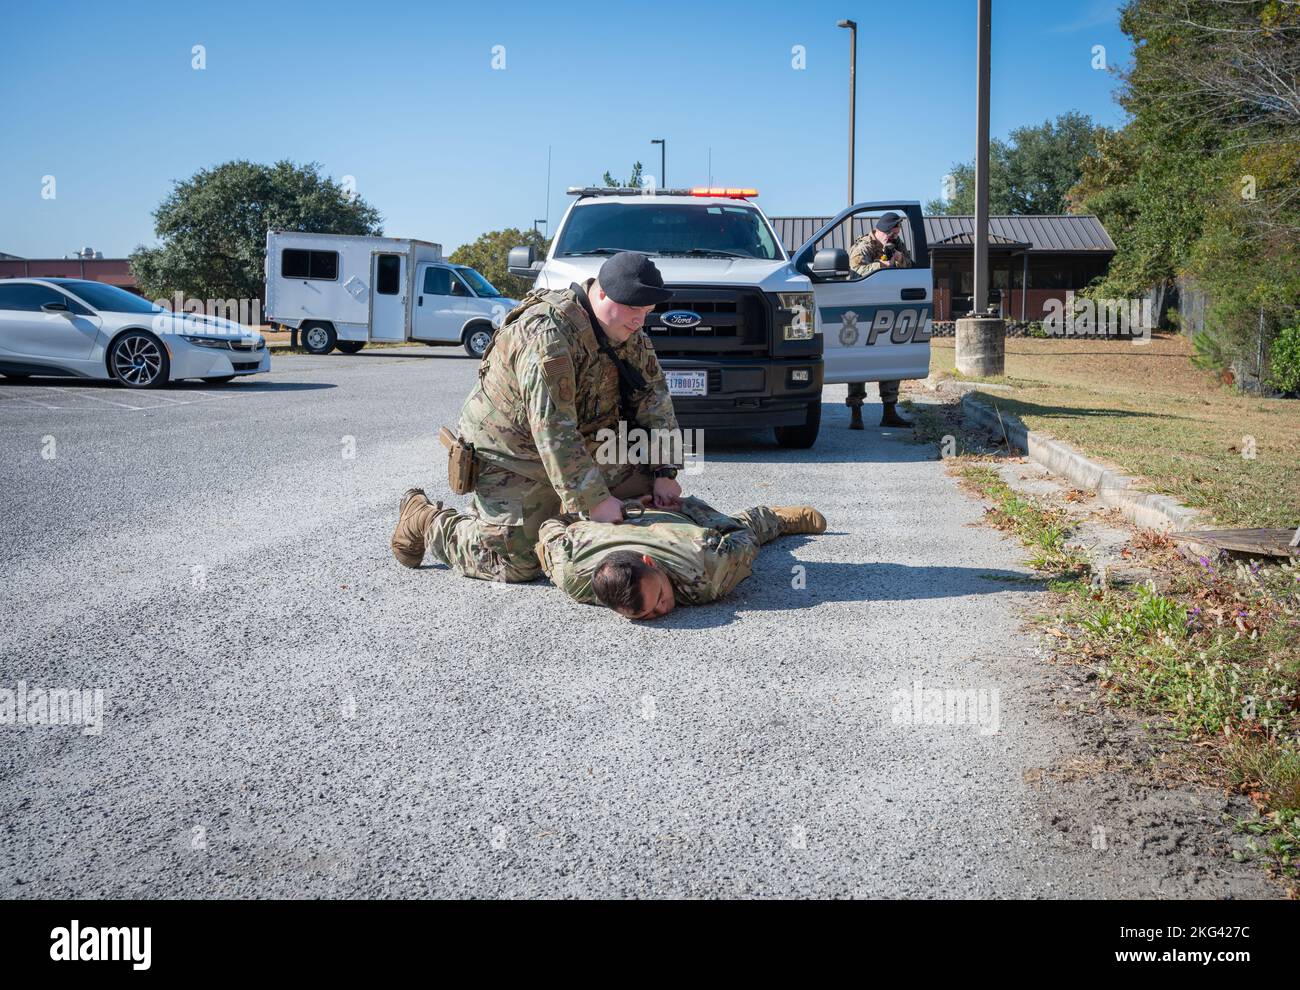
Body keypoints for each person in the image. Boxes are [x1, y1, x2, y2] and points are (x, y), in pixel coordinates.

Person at [391, 252, 684, 581]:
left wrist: (664, 470)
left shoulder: (627, 332)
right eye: (634, 309)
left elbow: (654, 398)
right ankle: (425, 518)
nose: (640, 321)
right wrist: (596, 501)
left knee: (649, 498)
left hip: (577, 444)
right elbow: (553, 429)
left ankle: (557, 508)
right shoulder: (547, 335)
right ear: (601, 293)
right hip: (513, 453)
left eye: (647, 312)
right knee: (519, 562)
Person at [534, 495, 827, 619]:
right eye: (648, 614)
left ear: (650, 563)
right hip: (618, 510)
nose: (663, 610)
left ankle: (775, 517)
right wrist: (591, 509)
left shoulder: (705, 568)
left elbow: (743, 539)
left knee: (744, 526)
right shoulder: (575, 573)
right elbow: (549, 529)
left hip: (678, 515)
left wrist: (601, 507)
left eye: (660, 597)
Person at [846, 211, 913, 430]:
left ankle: (890, 412)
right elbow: (853, 273)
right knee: (859, 361)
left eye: (896, 234)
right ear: (880, 231)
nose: (893, 238)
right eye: (890, 234)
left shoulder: (897, 245)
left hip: (888, 309)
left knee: (890, 358)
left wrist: (900, 260)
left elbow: (912, 269)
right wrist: (881, 266)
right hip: (862, 310)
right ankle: (856, 413)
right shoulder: (864, 246)